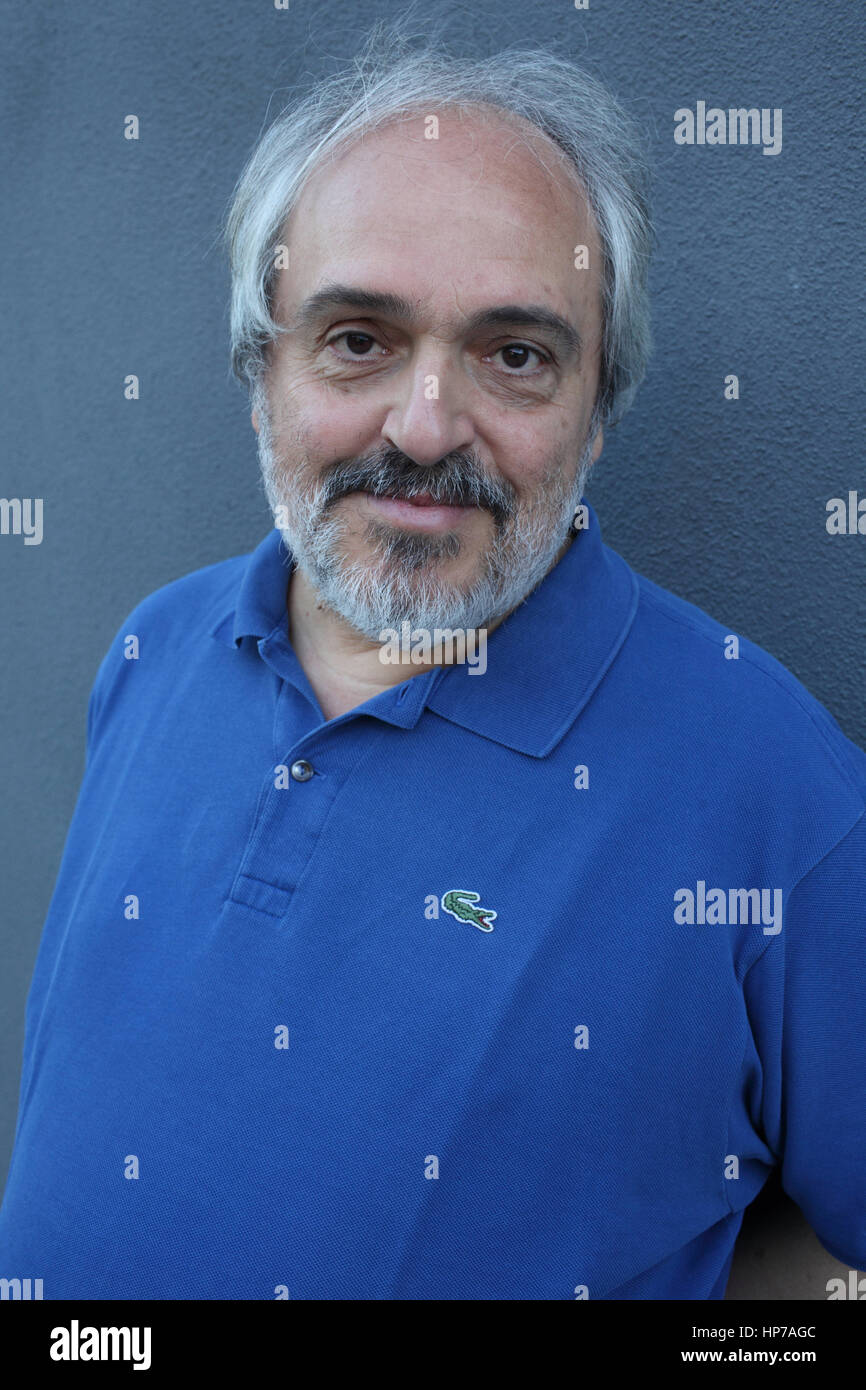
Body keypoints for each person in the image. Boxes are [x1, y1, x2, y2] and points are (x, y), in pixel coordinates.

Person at [1, 29, 864, 1301]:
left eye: (515, 354)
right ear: (261, 377)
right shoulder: (154, 647)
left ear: (596, 407)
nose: (422, 426)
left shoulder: (780, 803)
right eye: (356, 337)